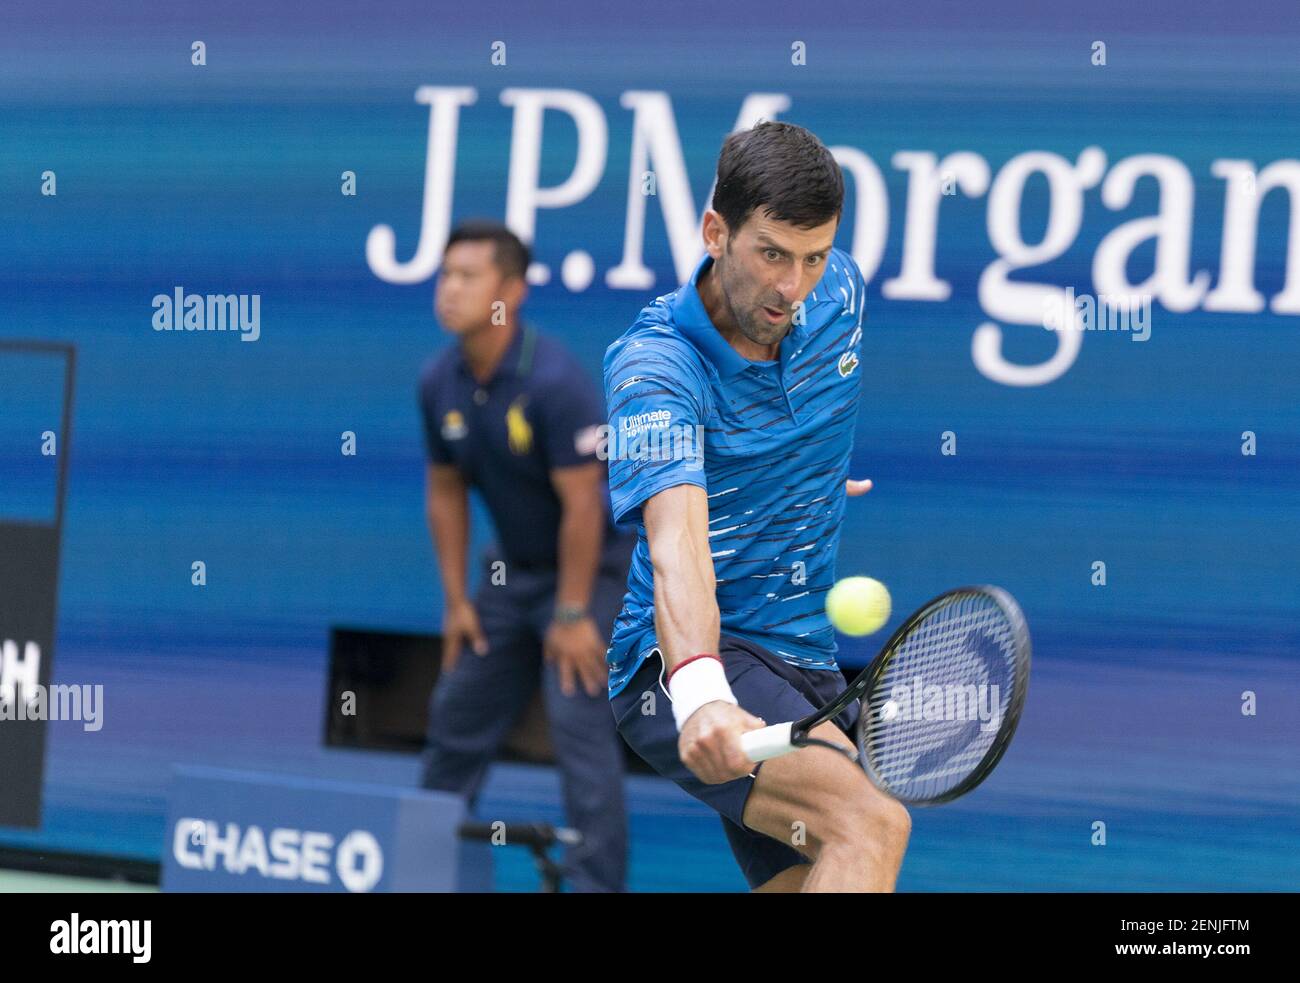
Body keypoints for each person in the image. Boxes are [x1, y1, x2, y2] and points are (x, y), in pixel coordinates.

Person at [603, 122, 911, 892]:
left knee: (814, 872)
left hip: (803, 659)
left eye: (812, 257)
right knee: (871, 820)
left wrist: (792, 476)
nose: (792, 286)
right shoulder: (654, 369)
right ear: (716, 231)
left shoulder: (841, 293)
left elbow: (785, 420)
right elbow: (678, 544)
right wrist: (701, 691)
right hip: (681, 663)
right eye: (771, 252)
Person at [417, 220, 632, 892]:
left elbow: (585, 506)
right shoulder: (437, 381)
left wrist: (572, 613)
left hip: (589, 574)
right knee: (456, 718)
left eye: (468, 276)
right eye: (445, 273)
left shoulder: (555, 382)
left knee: (579, 731)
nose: (449, 289)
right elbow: (446, 489)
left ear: (511, 290)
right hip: (507, 581)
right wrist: (456, 602)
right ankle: (419, 874)